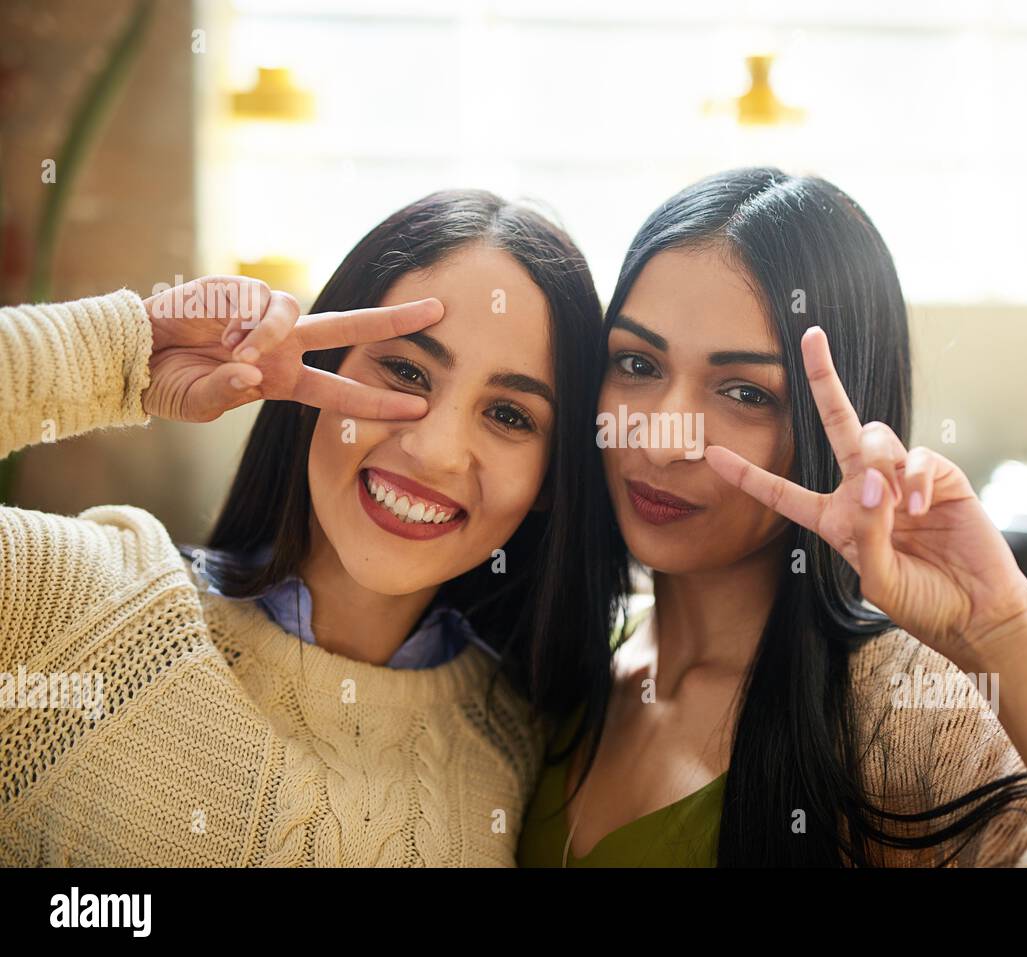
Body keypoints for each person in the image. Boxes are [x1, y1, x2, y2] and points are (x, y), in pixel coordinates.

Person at [518, 167, 1027, 867]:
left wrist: (1009, 630)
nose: (663, 438)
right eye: (638, 365)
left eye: (743, 391)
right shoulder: (565, 657)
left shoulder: (893, 711)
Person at [0, 189, 613, 866]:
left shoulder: (521, 739)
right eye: (406, 369)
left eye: (510, 416)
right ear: (318, 370)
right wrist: (125, 356)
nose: (435, 450)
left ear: (551, 483)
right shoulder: (78, 605)